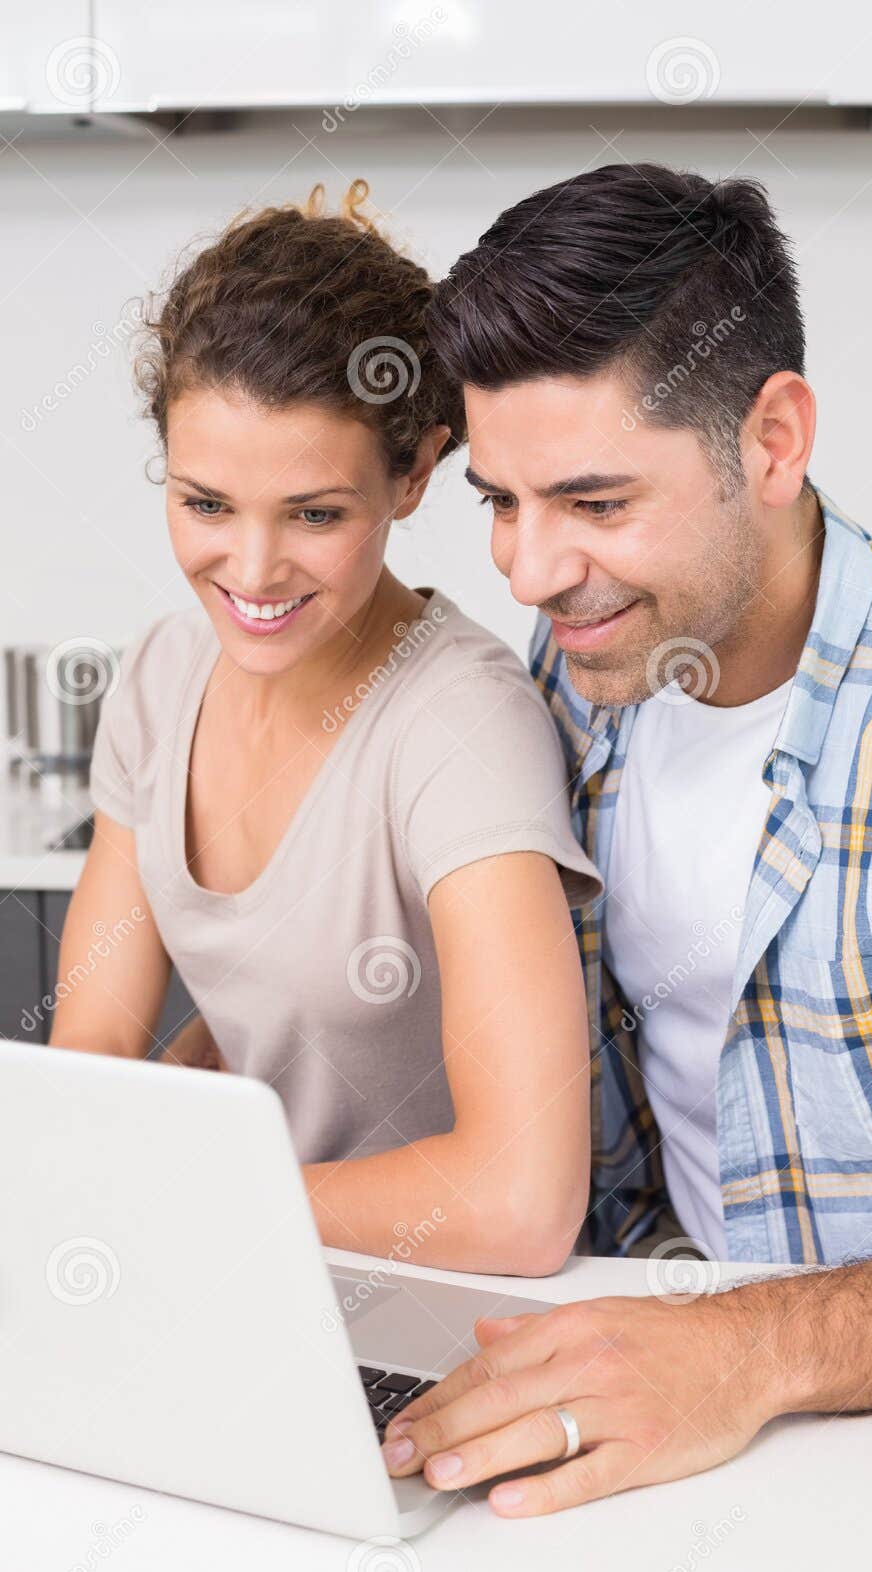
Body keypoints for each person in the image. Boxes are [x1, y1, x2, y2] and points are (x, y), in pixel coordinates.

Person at [380, 161, 872, 1513]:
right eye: (499, 503)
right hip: (636, 1376)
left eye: (590, 501)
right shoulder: (595, 647)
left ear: (770, 440)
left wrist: (746, 1346)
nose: (526, 568)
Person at [49, 181, 600, 1278]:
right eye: (205, 503)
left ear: (410, 473)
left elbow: (525, 1199)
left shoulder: (458, 725)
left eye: (314, 514)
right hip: (234, 1272)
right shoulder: (163, 677)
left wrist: (190, 1198)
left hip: (429, 1305)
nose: (251, 573)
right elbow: (92, 1058)